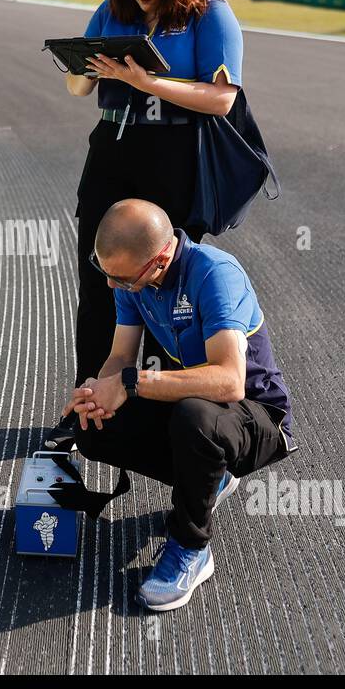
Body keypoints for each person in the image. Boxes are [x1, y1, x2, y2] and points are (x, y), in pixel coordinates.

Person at [45, 0, 246, 447]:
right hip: (111, 150)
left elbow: (223, 99)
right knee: (100, 283)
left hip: (173, 153)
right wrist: (84, 68)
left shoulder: (211, 14)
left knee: (166, 284)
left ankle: (159, 404)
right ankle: (89, 403)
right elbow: (76, 91)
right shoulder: (111, 11)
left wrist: (148, 81)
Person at [64, 198, 294, 611]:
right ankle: (208, 478)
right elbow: (120, 357)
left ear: (160, 259)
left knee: (196, 418)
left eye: (122, 278)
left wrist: (131, 383)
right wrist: (99, 390)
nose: (112, 286)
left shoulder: (214, 275)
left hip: (256, 417)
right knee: (93, 427)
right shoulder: (136, 280)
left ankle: (191, 547)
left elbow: (228, 381)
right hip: (196, 404)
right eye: (105, 272)